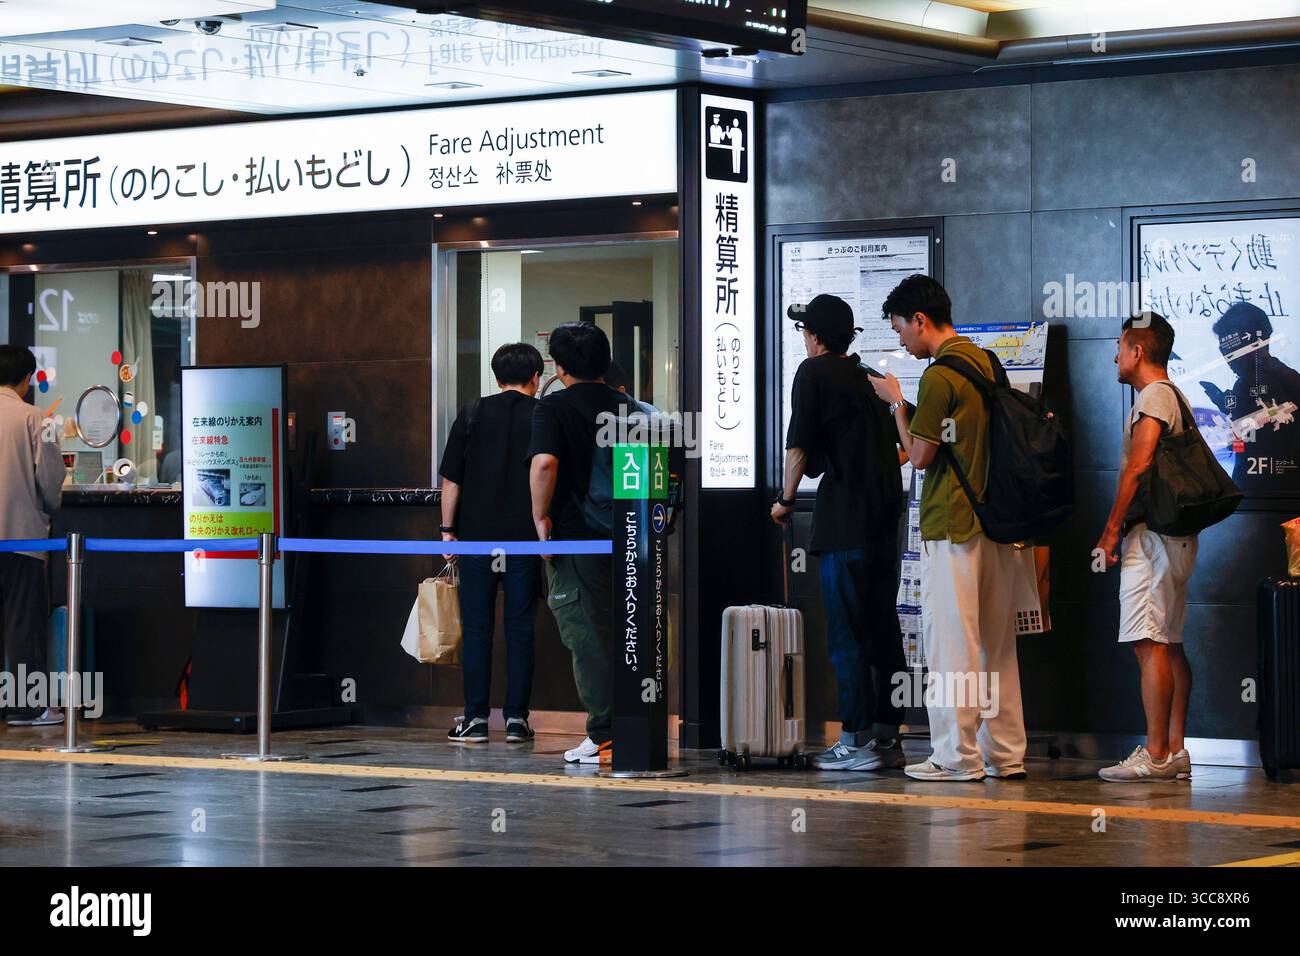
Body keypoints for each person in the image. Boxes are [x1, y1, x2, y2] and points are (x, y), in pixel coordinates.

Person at [870, 275, 1028, 782]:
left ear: (920, 320)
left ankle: (955, 756)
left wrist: (897, 403)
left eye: (900, 329)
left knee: (951, 643)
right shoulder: (985, 361)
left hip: (953, 524)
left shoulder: (938, 378)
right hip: (997, 524)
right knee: (997, 645)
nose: (900, 341)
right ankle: (1005, 754)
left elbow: (920, 455)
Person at [770, 294, 908, 771]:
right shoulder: (867, 378)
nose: (804, 339)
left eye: (804, 331)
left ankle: (855, 739)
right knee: (882, 628)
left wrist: (784, 500)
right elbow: (900, 451)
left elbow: (798, 450)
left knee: (846, 633)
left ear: (814, 335)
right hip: (883, 522)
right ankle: (889, 736)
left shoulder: (813, 373)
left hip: (844, 522)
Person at [1094, 313, 1197, 782]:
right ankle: (1174, 750)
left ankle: (1155, 754)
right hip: (1173, 536)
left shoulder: (1154, 396)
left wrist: (1111, 530)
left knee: (1148, 641)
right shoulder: (1176, 395)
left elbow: (1138, 466)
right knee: (1169, 642)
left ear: (1138, 351)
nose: (1115, 355)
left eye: (1120, 346)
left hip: (1151, 536)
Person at [528, 323, 632, 765]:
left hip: (578, 540)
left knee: (585, 636)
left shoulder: (554, 408)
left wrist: (539, 519)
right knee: (626, 633)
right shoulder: (631, 407)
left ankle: (605, 734)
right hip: (631, 541)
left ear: (559, 365)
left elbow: (545, 465)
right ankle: (632, 725)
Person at [438, 343, 545, 744]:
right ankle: (517, 720)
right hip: (525, 541)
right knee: (521, 629)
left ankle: (476, 720)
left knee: (478, 629)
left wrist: (448, 531)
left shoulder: (472, 413)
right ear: (536, 377)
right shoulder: (542, 415)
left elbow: (451, 481)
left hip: (476, 540)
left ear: (496, 378)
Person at [0, 345, 66, 726]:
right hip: (21, 536)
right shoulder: (35, 417)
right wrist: (50, 503)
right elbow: (50, 479)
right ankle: (28, 707)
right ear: (26, 379)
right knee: (23, 623)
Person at [1201, 301, 1300, 491]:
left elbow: (1242, 439)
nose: (1226, 356)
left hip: (1258, 495)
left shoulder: (1250, 382)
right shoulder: (1283, 376)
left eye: (1228, 347)